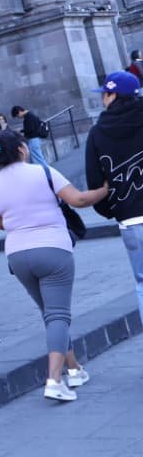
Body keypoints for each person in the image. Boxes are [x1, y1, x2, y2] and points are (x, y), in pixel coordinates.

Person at [0, 131, 107, 401]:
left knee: (51, 314)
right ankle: (54, 381)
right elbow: (78, 200)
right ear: (22, 149)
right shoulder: (43, 172)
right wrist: (104, 189)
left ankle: (74, 369)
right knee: (58, 315)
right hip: (52, 248)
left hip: (17, 254)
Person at [84, 70, 143, 319]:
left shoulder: (97, 133)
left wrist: (114, 209)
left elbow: (95, 181)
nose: (102, 100)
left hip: (131, 218)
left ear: (112, 95)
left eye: (104, 94)